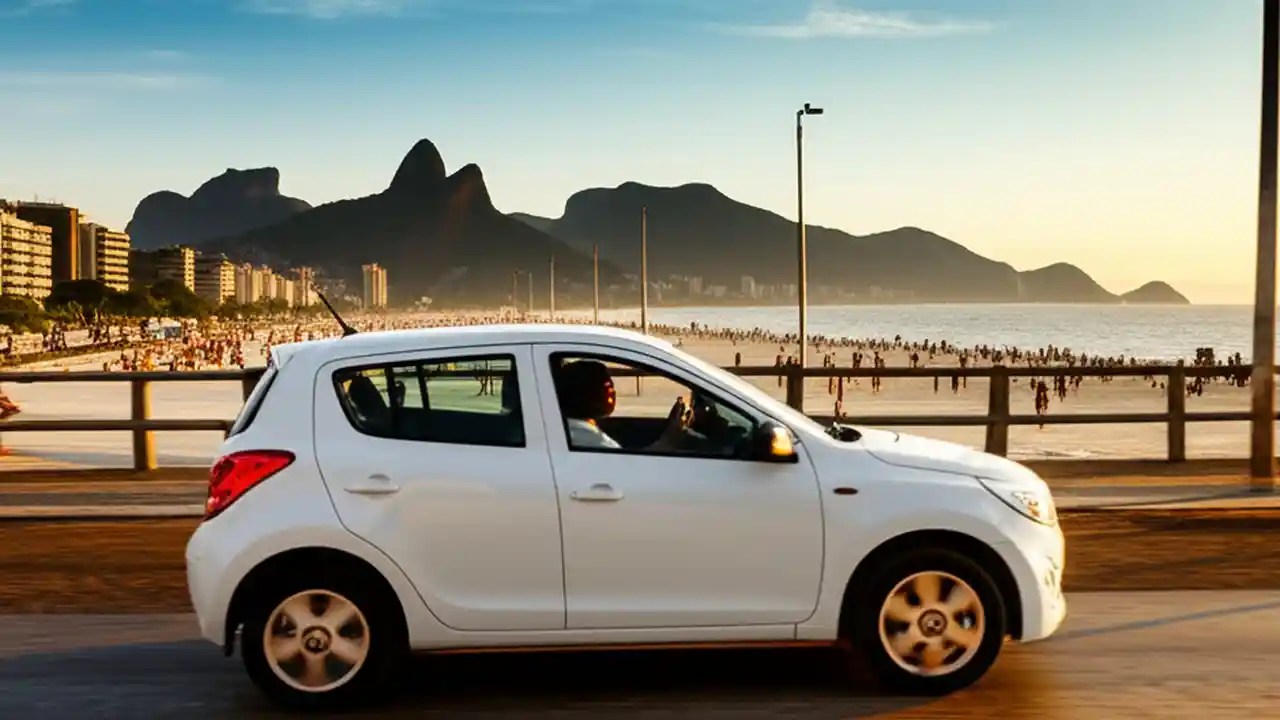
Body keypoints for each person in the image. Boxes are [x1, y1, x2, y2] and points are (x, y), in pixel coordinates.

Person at [553, 359, 691, 453]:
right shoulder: (588, 440)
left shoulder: (573, 430)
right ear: (584, 393)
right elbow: (634, 470)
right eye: (607, 387)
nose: (613, 392)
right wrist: (670, 438)